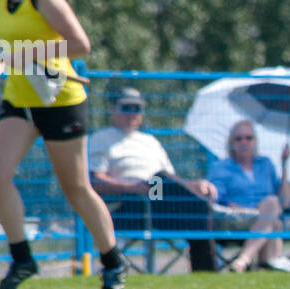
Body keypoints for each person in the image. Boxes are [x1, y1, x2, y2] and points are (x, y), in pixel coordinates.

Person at [0, 0, 127, 289]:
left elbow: (80, 44)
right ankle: (22, 259)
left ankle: (112, 262)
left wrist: (22, 55)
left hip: (60, 101)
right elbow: (10, 50)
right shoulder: (1, 0)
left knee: (76, 188)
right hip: (20, 100)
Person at [88, 87, 221, 273]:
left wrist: (196, 185)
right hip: (130, 206)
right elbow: (97, 182)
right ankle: (209, 213)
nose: (133, 113)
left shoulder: (150, 141)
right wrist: (135, 187)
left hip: (160, 203)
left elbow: (172, 180)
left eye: (138, 108)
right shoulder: (101, 139)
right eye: (127, 108)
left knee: (194, 209)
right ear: (112, 109)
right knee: (163, 181)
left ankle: (206, 272)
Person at [206, 119, 290, 273]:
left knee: (272, 210)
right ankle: (261, 263)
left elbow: (286, 202)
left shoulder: (266, 164)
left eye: (249, 138)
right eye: (238, 138)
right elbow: (216, 199)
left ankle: (245, 262)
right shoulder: (221, 168)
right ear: (231, 142)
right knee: (274, 220)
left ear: (255, 141)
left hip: (263, 216)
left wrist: (284, 165)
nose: (244, 142)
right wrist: (229, 204)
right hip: (235, 217)